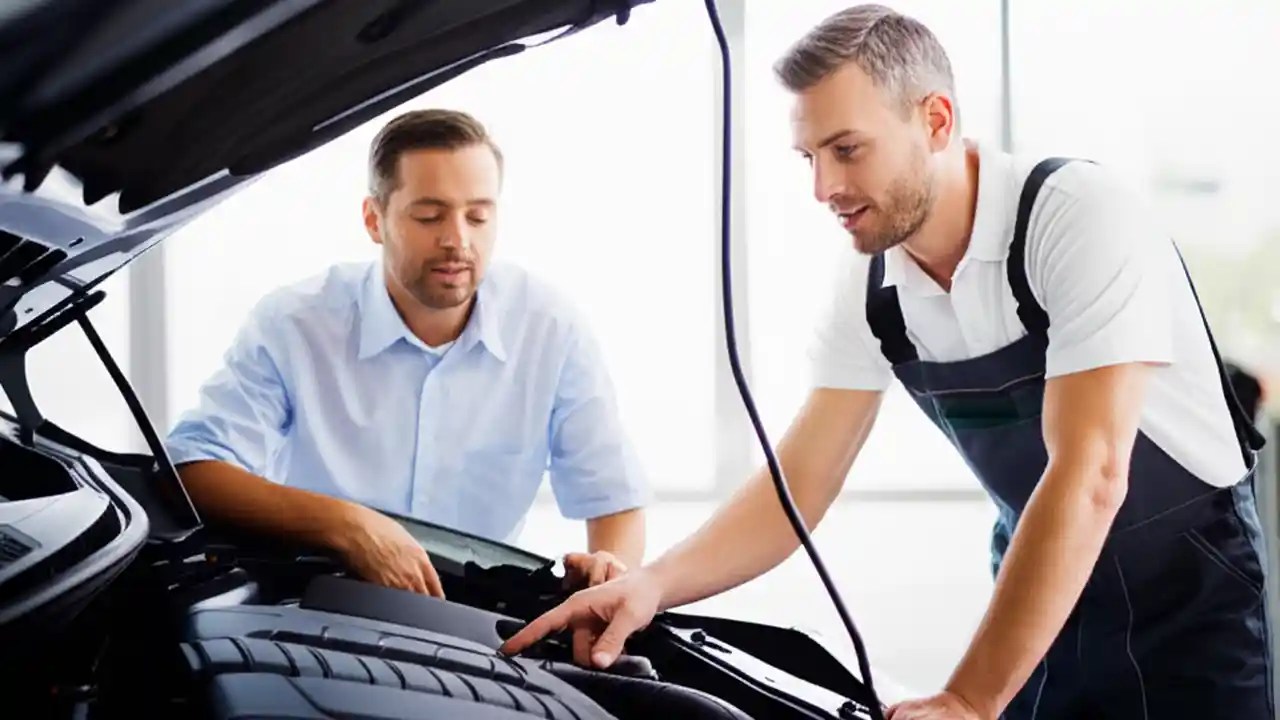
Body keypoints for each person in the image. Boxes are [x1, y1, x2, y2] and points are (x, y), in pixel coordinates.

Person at [500, 6, 1273, 719]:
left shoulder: (1076, 218)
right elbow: (797, 486)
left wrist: (968, 700)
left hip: (1190, 604)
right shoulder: (872, 286)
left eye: (846, 150)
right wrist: (652, 586)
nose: (822, 188)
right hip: (1041, 606)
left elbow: (1094, 472)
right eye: (808, 156)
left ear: (935, 120)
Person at [166, 109, 649, 599]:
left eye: (478, 216)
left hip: (477, 619)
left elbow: (615, 498)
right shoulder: (294, 324)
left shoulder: (552, 329)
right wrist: (347, 525)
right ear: (374, 220)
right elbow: (196, 468)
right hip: (316, 600)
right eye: (429, 216)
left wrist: (608, 577)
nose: (457, 240)